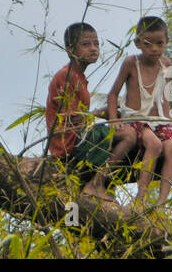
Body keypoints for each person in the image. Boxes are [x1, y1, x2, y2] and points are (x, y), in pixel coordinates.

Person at [46, 21, 137, 202]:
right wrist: (101, 113)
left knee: (122, 125)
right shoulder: (67, 75)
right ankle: (96, 183)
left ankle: (106, 184)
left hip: (74, 136)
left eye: (96, 44)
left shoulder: (79, 76)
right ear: (71, 49)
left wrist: (108, 113)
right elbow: (72, 120)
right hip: (67, 142)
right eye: (86, 44)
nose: (94, 49)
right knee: (129, 134)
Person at [107, 16, 172, 205]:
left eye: (159, 43)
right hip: (136, 119)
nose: (154, 48)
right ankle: (141, 196)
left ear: (167, 43)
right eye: (148, 44)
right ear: (138, 43)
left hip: (159, 121)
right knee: (154, 145)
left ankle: (161, 202)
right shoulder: (131, 63)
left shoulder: (167, 64)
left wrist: (170, 127)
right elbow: (113, 94)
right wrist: (114, 120)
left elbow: (165, 98)